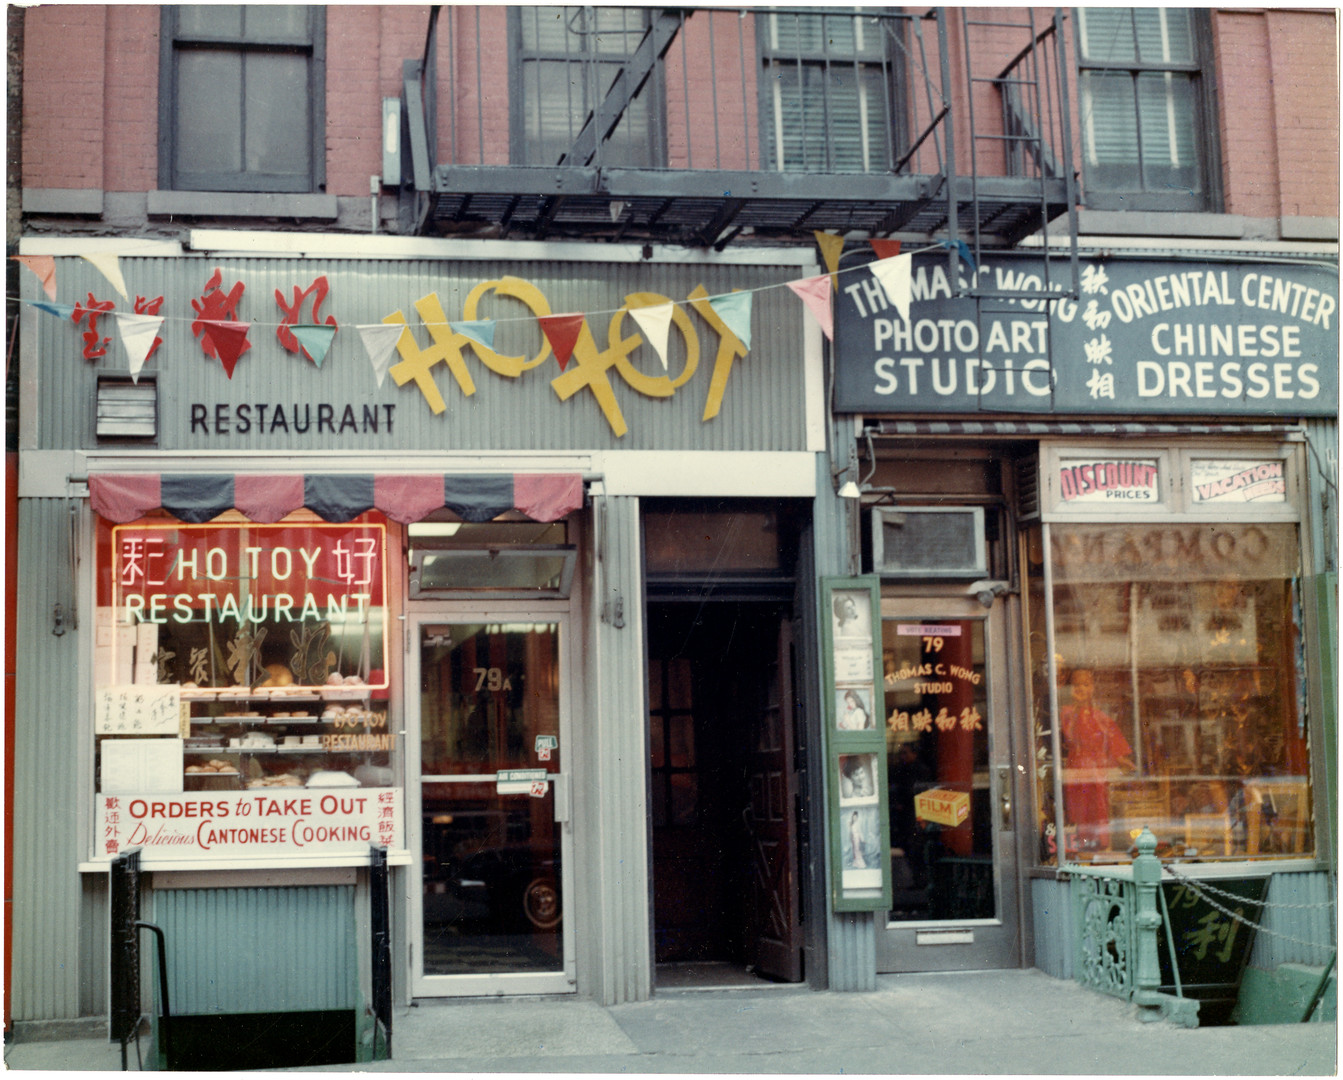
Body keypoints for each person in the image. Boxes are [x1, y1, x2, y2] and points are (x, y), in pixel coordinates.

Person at [1059, 668, 1133, 850]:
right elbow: (1070, 735)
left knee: (1098, 806)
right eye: (1076, 685)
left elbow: (1112, 736)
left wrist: (1121, 758)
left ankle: (1101, 844)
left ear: (1092, 688)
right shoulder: (1066, 712)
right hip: (1077, 767)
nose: (1081, 688)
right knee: (1079, 807)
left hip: (1097, 769)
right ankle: (1082, 845)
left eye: (1085, 684)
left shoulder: (1099, 715)